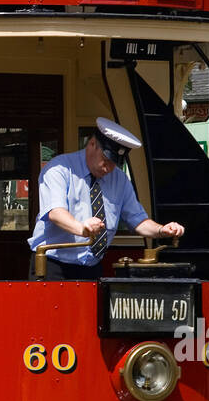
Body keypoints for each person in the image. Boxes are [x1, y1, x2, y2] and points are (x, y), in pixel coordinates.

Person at [27, 117, 184, 280]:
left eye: (114, 163)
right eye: (106, 160)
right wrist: (82, 229)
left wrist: (162, 230)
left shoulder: (120, 180)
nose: (108, 168)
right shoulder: (59, 169)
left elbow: (137, 220)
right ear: (92, 144)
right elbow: (55, 212)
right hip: (53, 266)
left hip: (92, 268)